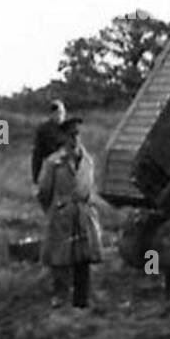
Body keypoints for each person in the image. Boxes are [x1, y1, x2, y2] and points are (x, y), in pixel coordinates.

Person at [36, 117, 103, 309]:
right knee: (60, 259)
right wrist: (53, 211)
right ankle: (60, 298)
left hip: (83, 214)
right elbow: (43, 193)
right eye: (71, 135)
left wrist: (90, 208)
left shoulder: (88, 161)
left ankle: (82, 302)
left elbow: (91, 187)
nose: (75, 139)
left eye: (77, 134)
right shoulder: (53, 163)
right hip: (61, 216)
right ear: (64, 137)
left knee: (83, 258)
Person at [31, 99, 69, 183]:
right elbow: (39, 147)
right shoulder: (44, 128)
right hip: (50, 154)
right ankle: (37, 183)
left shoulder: (69, 126)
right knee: (37, 155)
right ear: (51, 114)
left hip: (68, 153)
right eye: (57, 113)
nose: (60, 116)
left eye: (61, 113)